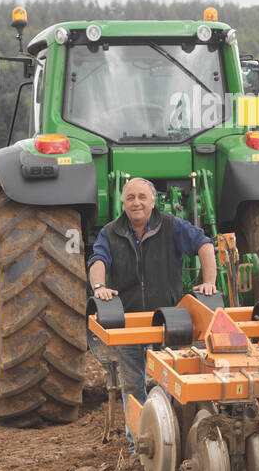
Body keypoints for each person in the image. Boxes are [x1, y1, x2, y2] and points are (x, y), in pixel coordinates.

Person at [88, 177, 217, 453]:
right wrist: (99, 288)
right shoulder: (110, 233)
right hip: (130, 325)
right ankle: (140, 449)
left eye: (142, 197)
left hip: (168, 324)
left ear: (152, 201)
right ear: (123, 202)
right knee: (133, 387)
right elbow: (98, 259)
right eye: (131, 197)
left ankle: (174, 445)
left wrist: (209, 282)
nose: (136, 202)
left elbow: (204, 245)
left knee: (170, 385)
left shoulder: (171, 225)